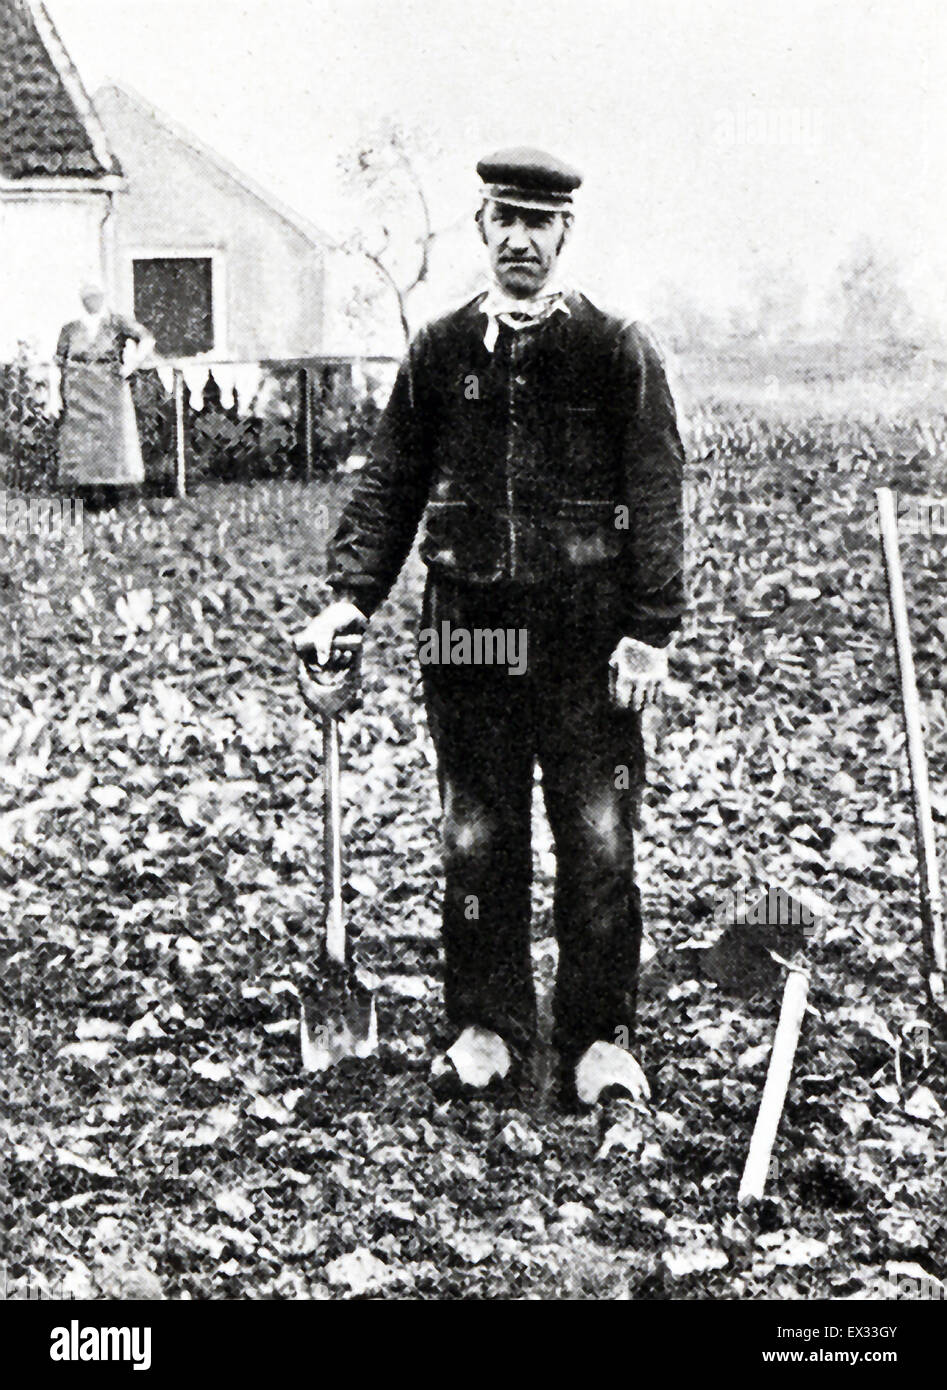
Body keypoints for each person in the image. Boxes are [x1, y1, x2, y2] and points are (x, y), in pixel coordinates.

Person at [296, 148, 685, 1109]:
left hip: (586, 634)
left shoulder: (615, 347)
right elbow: (391, 481)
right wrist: (351, 595)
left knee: (598, 834)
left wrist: (651, 627)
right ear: (481, 228)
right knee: (476, 832)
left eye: (538, 222)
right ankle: (487, 1027)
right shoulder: (437, 352)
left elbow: (657, 489)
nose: (520, 237)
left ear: (564, 234)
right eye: (503, 218)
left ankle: (599, 1039)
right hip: (469, 625)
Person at [50, 283, 155, 508]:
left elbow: (147, 339)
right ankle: (86, 498)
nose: (92, 300)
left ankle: (112, 498)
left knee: (111, 442)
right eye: (87, 296)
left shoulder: (116, 322)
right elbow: (57, 363)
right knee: (82, 444)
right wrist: (54, 396)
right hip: (78, 389)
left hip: (109, 388)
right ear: (81, 299)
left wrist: (131, 365)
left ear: (103, 297)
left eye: (96, 296)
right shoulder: (70, 328)